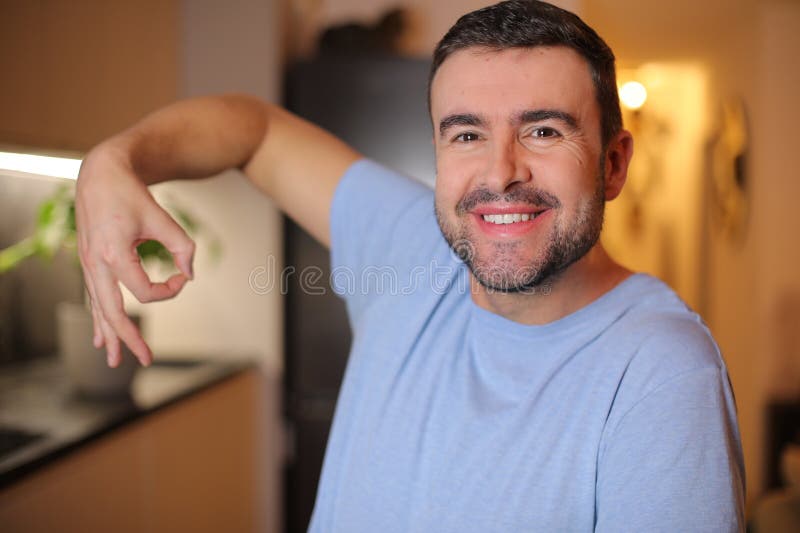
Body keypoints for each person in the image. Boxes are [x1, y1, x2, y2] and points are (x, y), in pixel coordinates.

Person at [75, 0, 745, 530]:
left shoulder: (661, 374)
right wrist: (113, 160)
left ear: (613, 163)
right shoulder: (409, 247)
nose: (500, 173)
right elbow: (254, 129)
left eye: (543, 131)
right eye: (467, 134)